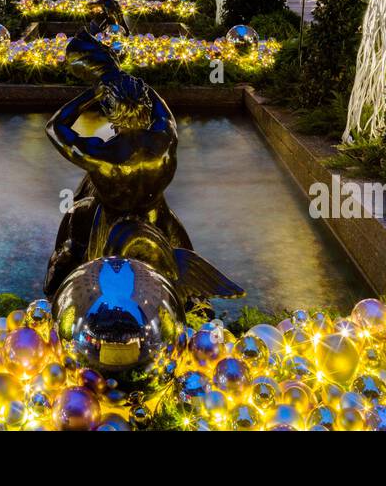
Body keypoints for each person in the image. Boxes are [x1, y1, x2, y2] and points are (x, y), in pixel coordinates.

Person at [43, 29, 241, 303]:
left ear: (110, 109)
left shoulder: (103, 155)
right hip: (156, 216)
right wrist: (139, 86)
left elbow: (55, 127)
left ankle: (57, 284)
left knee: (74, 218)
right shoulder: (164, 142)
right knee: (185, 255)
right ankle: (196, 303)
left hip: (108, 218)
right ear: (145, 105)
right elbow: (166, 115)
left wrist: (93, 92)